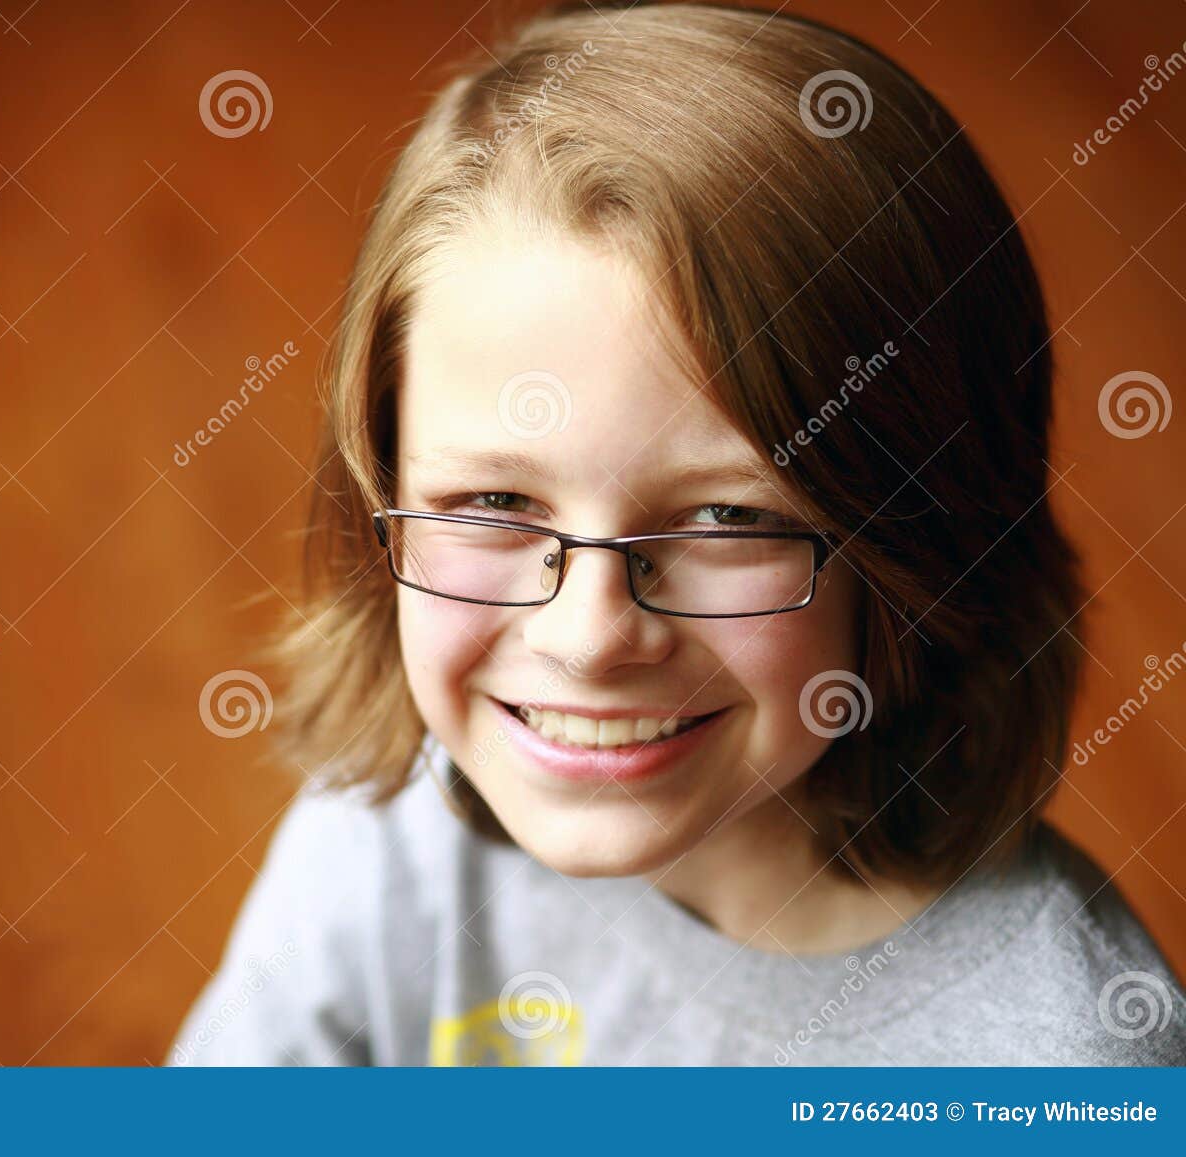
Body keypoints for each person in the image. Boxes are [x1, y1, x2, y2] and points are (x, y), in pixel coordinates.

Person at [169, 1, 1186, 1065]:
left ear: (925, 549)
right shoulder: (399, 829)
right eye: (496, 505)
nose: (588, 638)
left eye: (728, 518)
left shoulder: (1065, 1059)